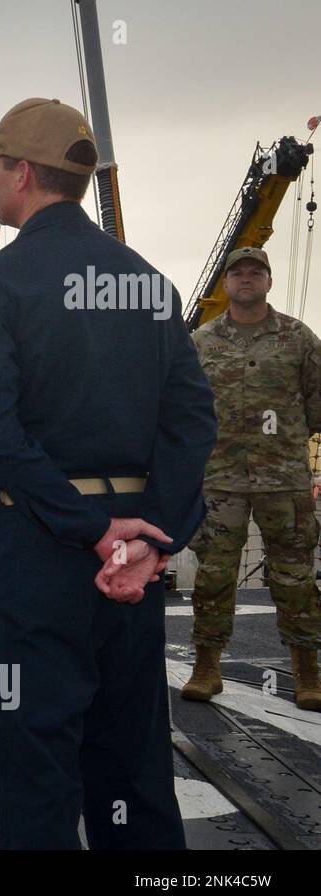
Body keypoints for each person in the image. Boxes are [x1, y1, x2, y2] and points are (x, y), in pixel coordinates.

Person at [0, 98, 216, 848]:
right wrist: (149, 542)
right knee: (134, 772)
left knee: (39, 780)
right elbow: (193, 421)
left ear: (25, 174)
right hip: (132, 570)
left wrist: (94, 532)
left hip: (41, 553)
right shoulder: (148, 282)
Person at [185, 246, 321, 710]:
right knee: (213, 576)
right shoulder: (202, 342)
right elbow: (186, 409)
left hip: (283, 481)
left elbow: (317, 404)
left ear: (268, 281)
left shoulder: (299, 339)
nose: (246, 279)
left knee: (296, 577)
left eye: (255, 273)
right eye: (238, 273)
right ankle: (207, 665)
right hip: (220, 479)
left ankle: (307, 670)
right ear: (226, 284)